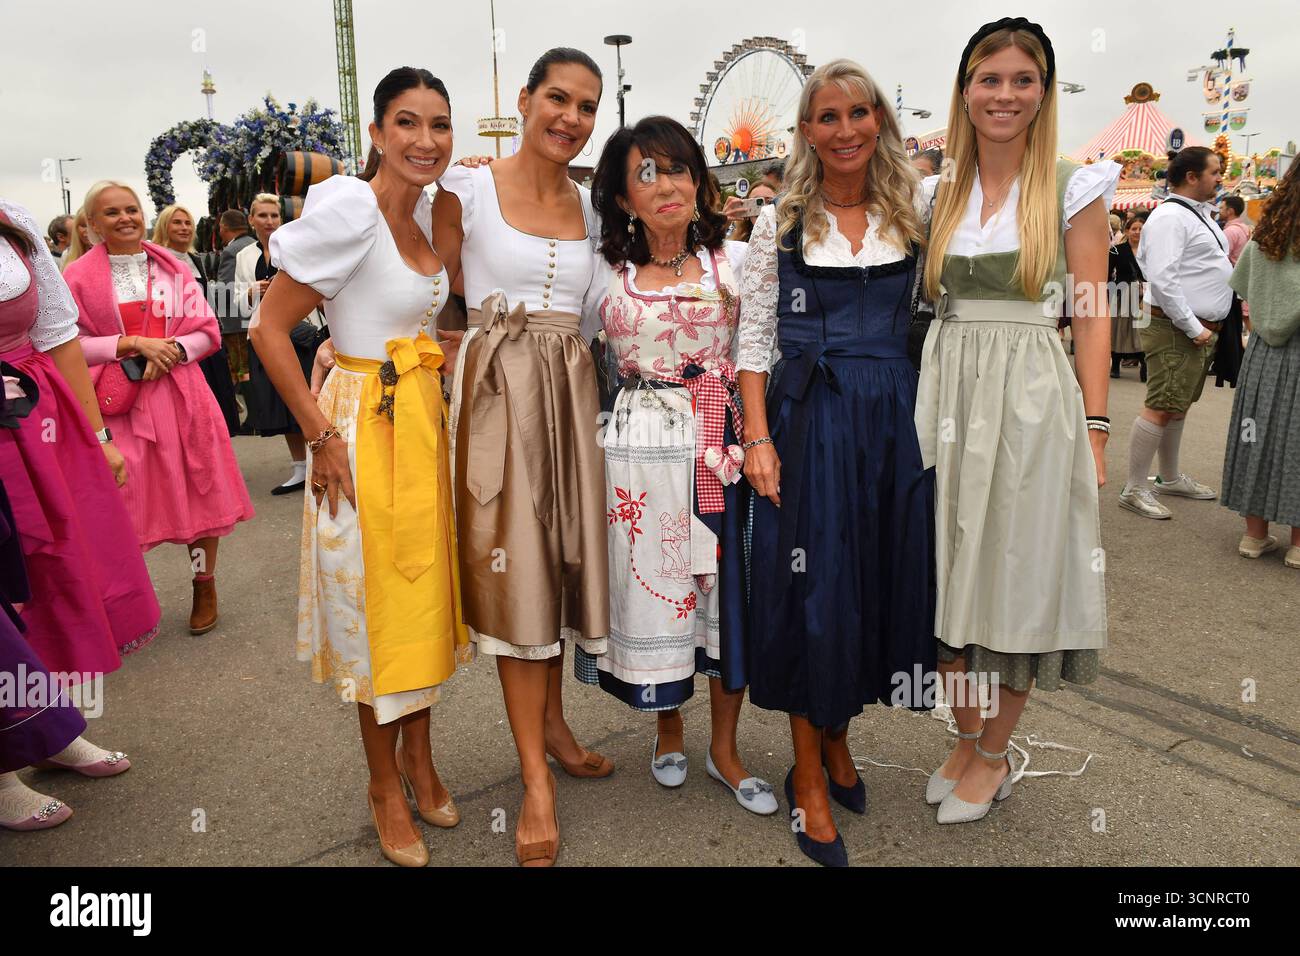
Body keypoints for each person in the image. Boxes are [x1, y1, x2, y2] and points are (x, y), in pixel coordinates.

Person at [252, 67, 469, 868]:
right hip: (358, 429)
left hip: (418, 421)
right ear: (376, 133)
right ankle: (384, 783)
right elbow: (271, 331)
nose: (426, 140)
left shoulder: (427, 214)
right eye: (406, 123)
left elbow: (416, 313)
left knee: (419, 594)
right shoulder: (349, 210)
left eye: (440, 125)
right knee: (372, 610)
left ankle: (419, 755)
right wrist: (320, 436)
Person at [914, 18, 1114, 825]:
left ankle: (994, 755)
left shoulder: (1076, 185)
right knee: (947, 565)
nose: (1004, 94)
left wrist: (1096, 426)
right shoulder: (938, 190)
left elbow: (1094, 313)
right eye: (989, 78)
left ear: (1043, 91)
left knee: (1018, 566)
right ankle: (965, 736)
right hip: (948, 382)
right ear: (965, 89)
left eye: (1021, 80)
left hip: (1030, 386)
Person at [740, 59, 933, 865]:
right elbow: (753, 339)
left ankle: (841, 736)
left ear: (880, 121)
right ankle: (808, 773)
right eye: (828, 116)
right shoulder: (776, 223)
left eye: (860, 113)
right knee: (811, 590)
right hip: (809, 417)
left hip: (894, 419)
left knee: (872, 585)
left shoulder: (916, 211)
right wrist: (756, 438)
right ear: (807, 131)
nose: (846, 129)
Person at [431, 47, 611, 867]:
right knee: (519, 579)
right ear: (526, 99)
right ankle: (534, 780)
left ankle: (556, 724)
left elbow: (600, 310)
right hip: (497, 396)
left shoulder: (593, 204)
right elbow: (422, 283)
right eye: (558, 100)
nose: (570, 118)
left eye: (586, 107)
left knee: (565, 561)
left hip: (571, 397)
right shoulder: (465, 187)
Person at [585, 115, 776, 816]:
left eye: (677, 168)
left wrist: (756, 435)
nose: (664, 185)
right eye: (645, 173)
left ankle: (725, 749)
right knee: (660, 595)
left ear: (700, 180)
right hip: (637, 452)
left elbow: (763, 350)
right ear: (622, 197)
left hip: (718, 445)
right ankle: (669, 724)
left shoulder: (742, 259)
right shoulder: (603, 271)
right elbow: (562, 347)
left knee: (729, 595)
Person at [0, 198, 160, 829]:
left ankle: (47, 726)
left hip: (33, 422)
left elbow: (58, 338)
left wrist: (97, 438)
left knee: (53, 577)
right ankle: (3, 767)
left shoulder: (10, 219)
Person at [63, 181, 254, 634]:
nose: (125, 218)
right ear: (92, 225)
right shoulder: (75, 278)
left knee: (199, 488)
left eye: (131, 209)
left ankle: (203, 583)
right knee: (121, 500)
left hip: (180, 396)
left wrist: (169, 350)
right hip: (117, 404)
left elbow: (207, 332)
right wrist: (130, 344)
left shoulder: (171, 268)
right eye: (112, 213)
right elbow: (68, 347)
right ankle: (129, 596)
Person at [1120, 147, 1230, 519]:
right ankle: (1135, 487)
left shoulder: (1197, 215)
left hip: (1194, 327)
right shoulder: (1170, 217)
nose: (1220, 178)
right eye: (1214, 172)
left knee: (1176, 405)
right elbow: (1163, 279)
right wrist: (1193, 326)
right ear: (1192, 177)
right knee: (1161, 405)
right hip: (1176, 326)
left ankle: (1168, 477)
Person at [1220, 159, 1300, 568]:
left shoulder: (1263, 236)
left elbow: (1243, 290)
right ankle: (1299, 545)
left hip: (1265, 354)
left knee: (1256, 436)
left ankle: (1255, 535)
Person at [238, 194, 316, 494]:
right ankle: (299, 468)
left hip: (300, 335)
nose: (269, 221)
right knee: (280, 403)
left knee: (307, 397)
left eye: (274, 215)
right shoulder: (246, 256)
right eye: (263, 215)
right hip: (263, 334)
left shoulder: (295, 246)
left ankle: (318, 458)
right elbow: (235, 305)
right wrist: (250, 292)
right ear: (251, 220)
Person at [152, 204, 240, 435]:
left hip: (205, 341)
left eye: (187, 222)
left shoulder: (195, 259)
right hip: (179, 344)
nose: (184, 227)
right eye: (177, 222)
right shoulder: (156, 260)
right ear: (164, 227)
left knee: (216, 404)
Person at [1108, 211, 1147, 379]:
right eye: (1134, 229)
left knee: (1141, 331)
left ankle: (1144, 366)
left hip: (1144, 296)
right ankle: (1115, 365)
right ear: (1127, 230)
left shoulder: (1150, 250)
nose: (1137, 232)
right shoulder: (1117, 250)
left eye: (1141, 229)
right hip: (1121, 293)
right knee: (1119, 330)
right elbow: (1107, 273)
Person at [58, 207, 92, 272]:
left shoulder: (112, 255)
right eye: (84, 225)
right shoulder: (67, 255)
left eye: (93, 224)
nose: (89, 230)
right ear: (76, 228)